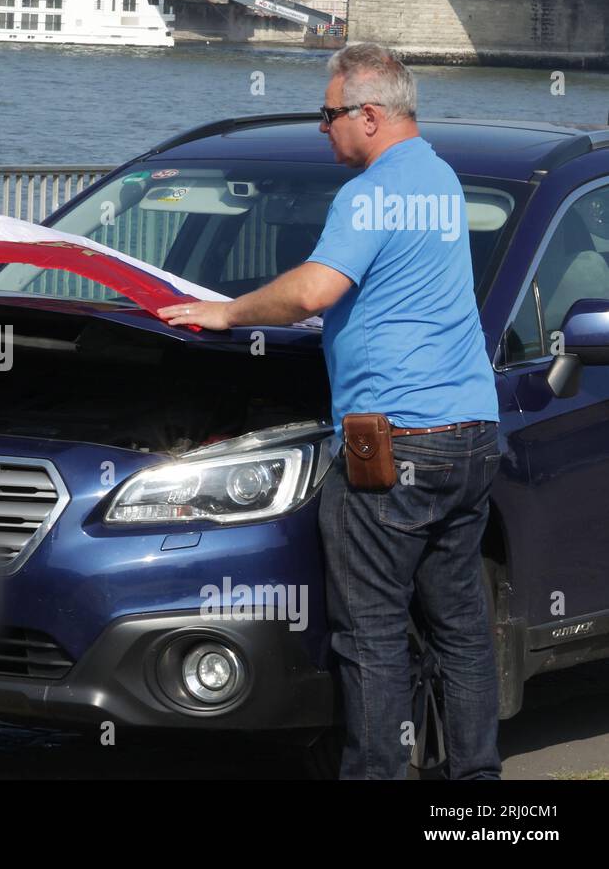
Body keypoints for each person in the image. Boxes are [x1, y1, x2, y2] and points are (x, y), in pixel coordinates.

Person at [159, 42, 501, 780]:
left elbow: (314, 291)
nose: (324, 127)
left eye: (330, 114)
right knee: (461, 630)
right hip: (471, 435)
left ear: (369, 116)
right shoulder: (440, 180)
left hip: (397, 443)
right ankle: (477, 784)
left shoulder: (369, 194)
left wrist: (225, 312)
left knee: (372, 633)